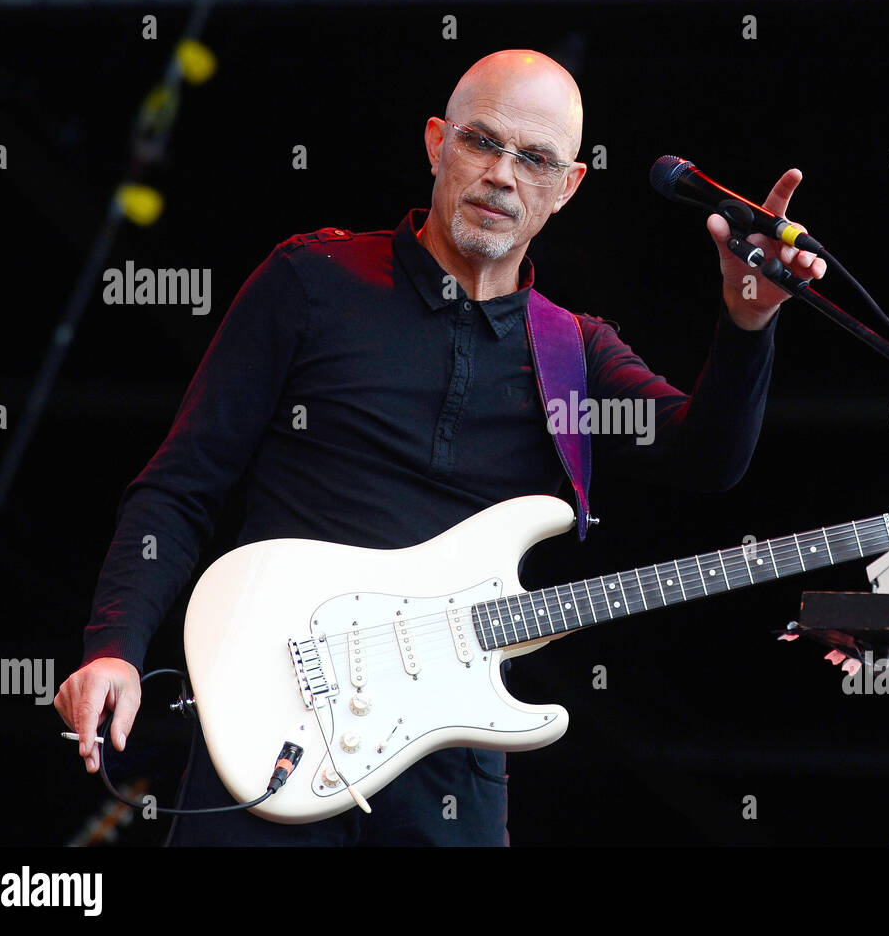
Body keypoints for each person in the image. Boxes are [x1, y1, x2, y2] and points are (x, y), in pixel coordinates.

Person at [54, 49, 827, 845]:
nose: (501, 175)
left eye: (534, 159)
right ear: (435, 142)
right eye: (482, 142)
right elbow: (182, 482)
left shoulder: (573, 351)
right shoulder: (310, 283)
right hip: (274, 721)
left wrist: (748, 322)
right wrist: (115, 646)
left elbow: (708, 459)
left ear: (567, 188)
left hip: (450, 764)